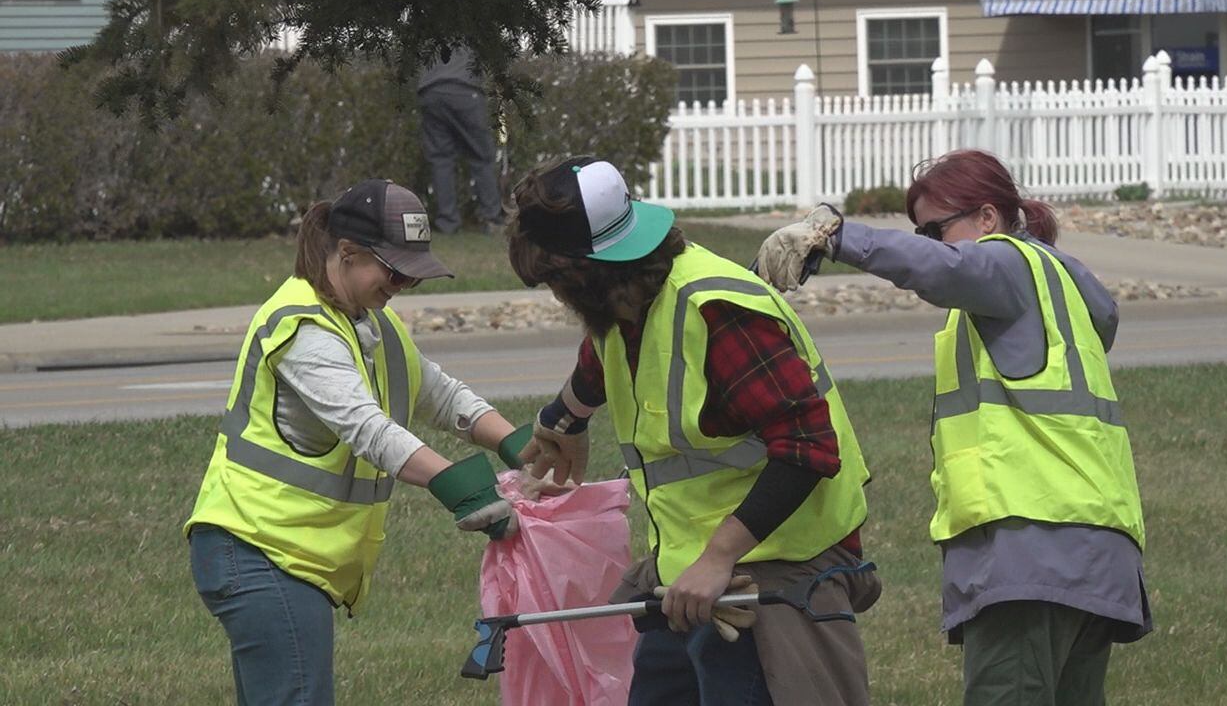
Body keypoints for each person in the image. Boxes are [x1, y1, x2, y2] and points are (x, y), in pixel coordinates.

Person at [756, 149, 1152, 706]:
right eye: (918, 232)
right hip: (1097, 556)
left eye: (935, 230)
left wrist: (833, 235)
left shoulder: (1006, 265)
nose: (926, 242)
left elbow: (946, 267)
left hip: (1030, 552)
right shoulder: (1061, 283)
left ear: (988, 219)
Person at [507, 156, 881, 705]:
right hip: (688, 571)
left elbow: (807, 448)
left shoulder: (718, 311)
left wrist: (719, 556)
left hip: (770, 567)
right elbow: (599, 360)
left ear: (589, 273)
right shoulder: (628, 305)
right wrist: (562, 420)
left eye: (555, 281)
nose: (557, 298)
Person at [184, 178, 533, 705]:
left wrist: (519, 447)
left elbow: (440, 396)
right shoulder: (302, 329)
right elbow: (366, 428)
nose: (402, 285)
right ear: (347, 253)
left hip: (285, 553)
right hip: (258, 550)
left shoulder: (374, 325)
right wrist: (459, 486)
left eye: (413, 275)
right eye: (394, 271)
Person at [417, 45, 504, 236]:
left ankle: (447, 222)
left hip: (430, 90)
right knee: (482, 157)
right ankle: (492, 218)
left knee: (441, 160)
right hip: (465, 90)